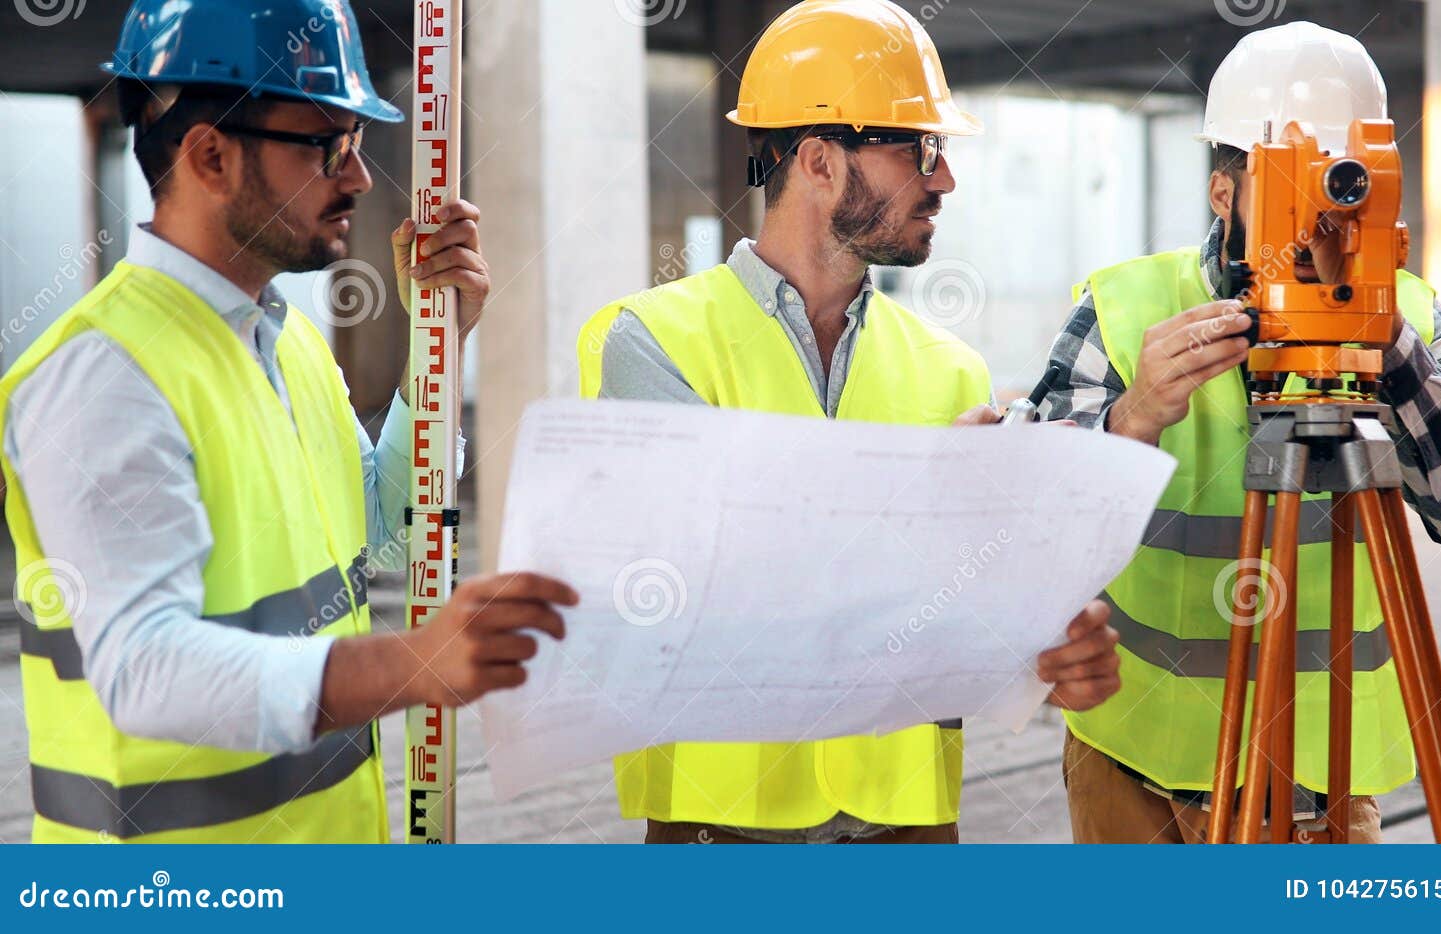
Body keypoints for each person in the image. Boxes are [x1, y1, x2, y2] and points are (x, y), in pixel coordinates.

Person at [0, 0, 576, 843]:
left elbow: (386, 536)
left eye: (357, 141)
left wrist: (438, 346)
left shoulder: (289, 342)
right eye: (326, 146)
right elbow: (146, 671)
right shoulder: (104, 375)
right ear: (211, 156)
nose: (360, 178)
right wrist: (413, 663)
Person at [577, 0, 1121, 845]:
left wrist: (1037, 648)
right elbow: (701, 595)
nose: (945, 180)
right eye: (920, 150)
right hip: (723, 828)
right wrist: (926, 509)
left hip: (907, 828)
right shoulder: (653, 341)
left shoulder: (950, 368)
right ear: (820, 160)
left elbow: (952, 613)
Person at [1037, 21, 1441, 844]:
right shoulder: (1125, 309)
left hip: (1315, 784)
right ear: (1223, 192)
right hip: (1129, 767)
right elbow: (1035, 530)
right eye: (1292, 180)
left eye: (1343, 182)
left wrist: (1385, 343)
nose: (1322, 217)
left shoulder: (1406, 318)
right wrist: (1133, 415)